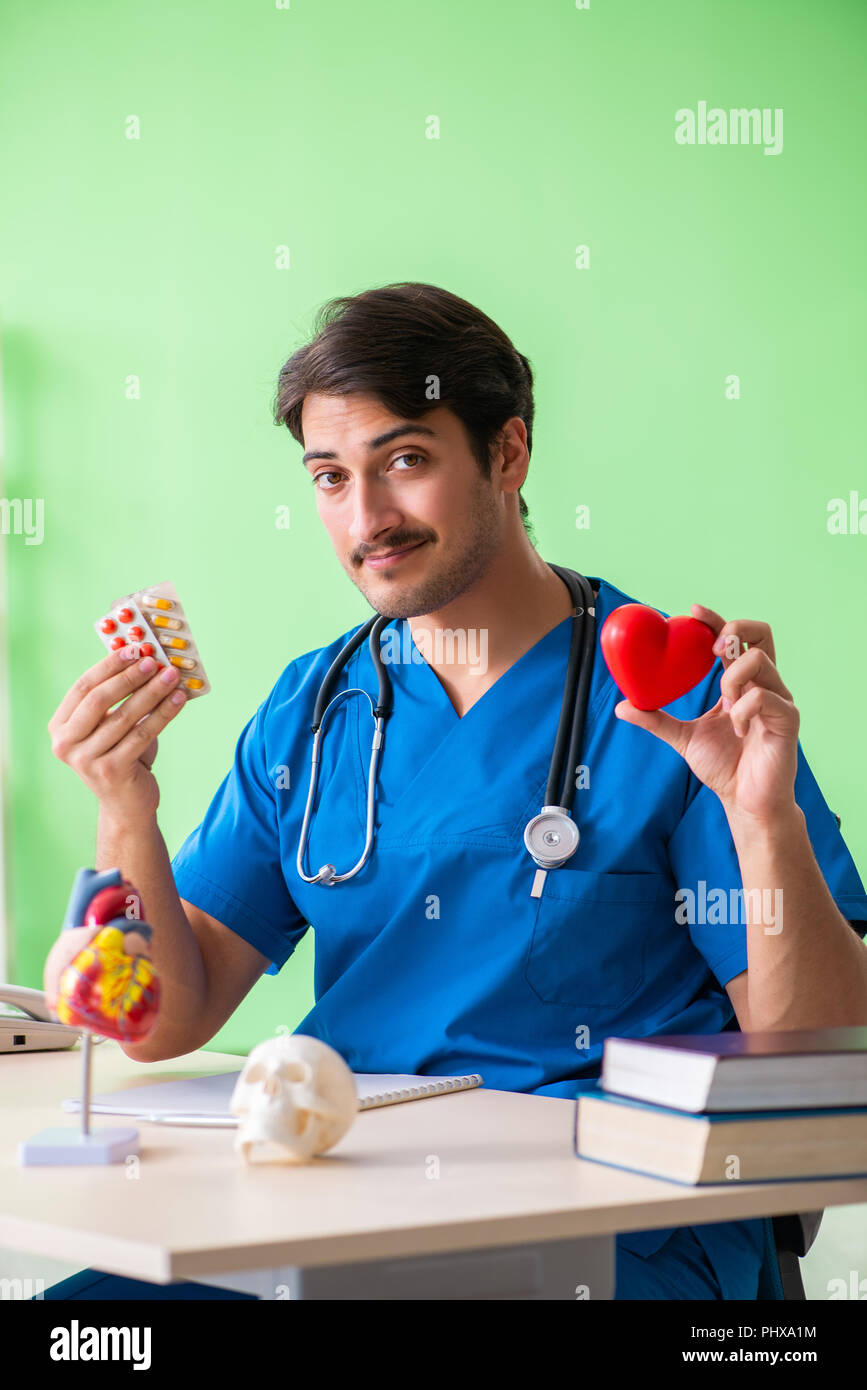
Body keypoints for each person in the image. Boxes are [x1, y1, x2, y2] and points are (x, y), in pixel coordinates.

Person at [44, 283, 867, 1302]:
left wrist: (761, 815)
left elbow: (820, 1057)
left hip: (620, 1224)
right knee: (85, 1319)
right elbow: (170, 1015)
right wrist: (125, 800)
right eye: (331, 478)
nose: (367, 518)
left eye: (404, 461)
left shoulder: (681, 701)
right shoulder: (317, 705)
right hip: (353, 1196)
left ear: (507, 454)